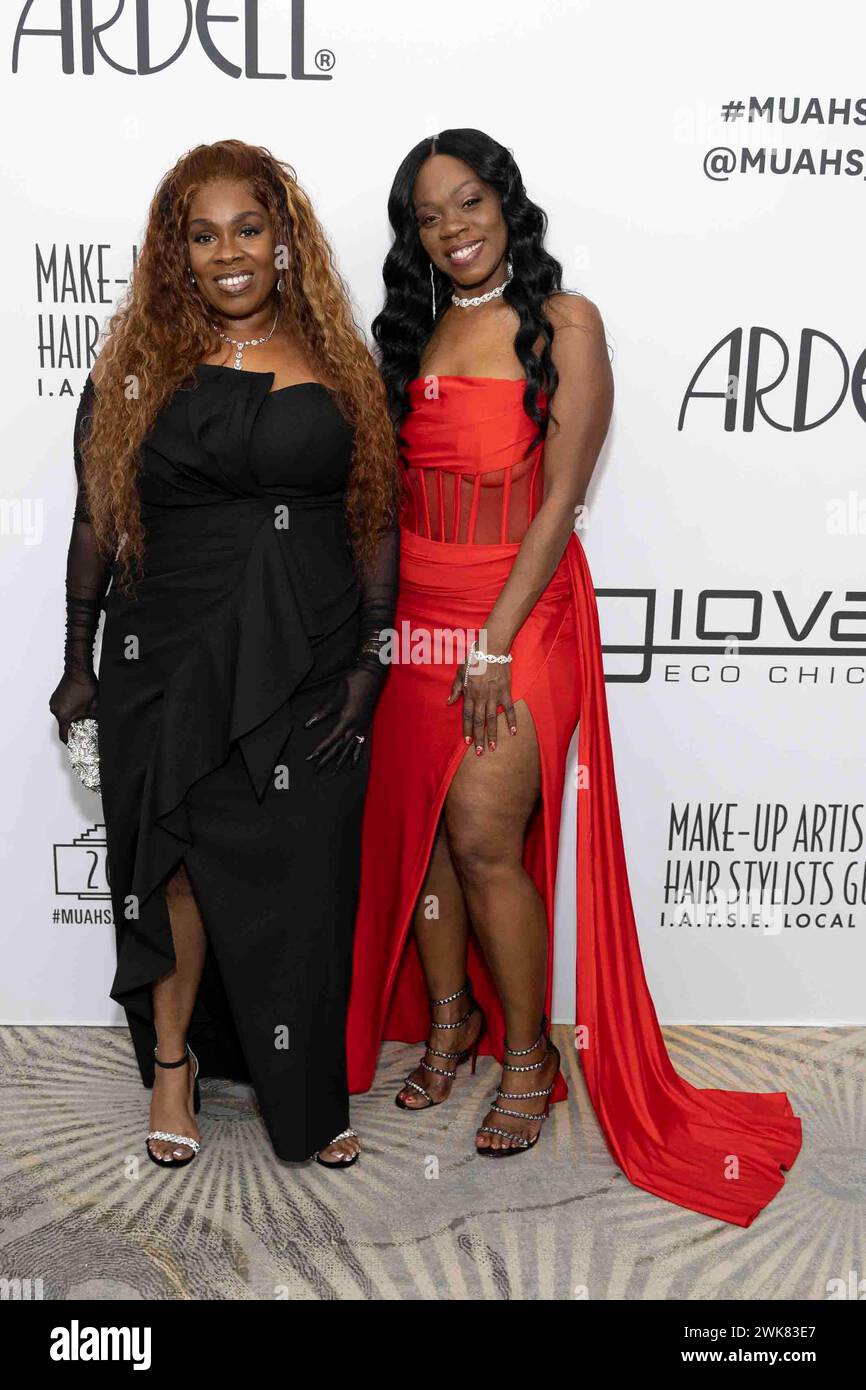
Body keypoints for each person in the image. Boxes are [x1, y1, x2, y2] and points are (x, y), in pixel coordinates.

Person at [346, 128, 802, 1223]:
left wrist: (497, 636)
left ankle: (528, 1059)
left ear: (506, 205)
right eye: (428, 214)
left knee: (485, 839)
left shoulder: (566, 323)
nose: (451, 227)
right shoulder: (407, 331)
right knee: (420, 841)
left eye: (468, 203)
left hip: (520, 605)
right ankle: (448, 1022)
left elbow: (559, 500)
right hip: (416, 612)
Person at [49, 140, 400, 1170]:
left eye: (246, 228)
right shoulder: (135, 366)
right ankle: (172, 1069)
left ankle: (304, 1089)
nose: (227, 253)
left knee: (303, 871)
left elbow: (373, 516)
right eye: (201, 235)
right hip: (172, 653)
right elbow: (97, 521)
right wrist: (80, 660)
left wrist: (371, 661)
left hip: (309, 650)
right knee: (177, 877)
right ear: (176, 252)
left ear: (282, 238)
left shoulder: (339, 363)